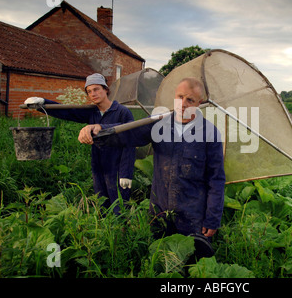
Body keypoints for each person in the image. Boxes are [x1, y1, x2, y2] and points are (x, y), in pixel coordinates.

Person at [78, 77, 225, 239]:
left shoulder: (209, 133)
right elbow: (128, 133)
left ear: (199, 103)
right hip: (159, 211)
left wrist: (212, 218)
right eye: (180, 97)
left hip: (192, 214)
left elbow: (216, 179)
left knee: (192, 258)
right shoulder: (159, 124)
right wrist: (99, 129)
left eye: (190, 100)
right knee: (157, 256)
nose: (183, 104)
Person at [24, 73, 136, 215]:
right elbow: (68, 111)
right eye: (89, 91)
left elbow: (131, 139)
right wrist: (43, 104)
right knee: (101, 204)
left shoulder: (122, 111)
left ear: (106, 89)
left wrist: (126, 173)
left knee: (119, 206)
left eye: (96, 89)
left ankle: (122, 233)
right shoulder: (92, 112)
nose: (93, 94)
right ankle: (103, 233)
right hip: (98, 166)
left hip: (117, 167)